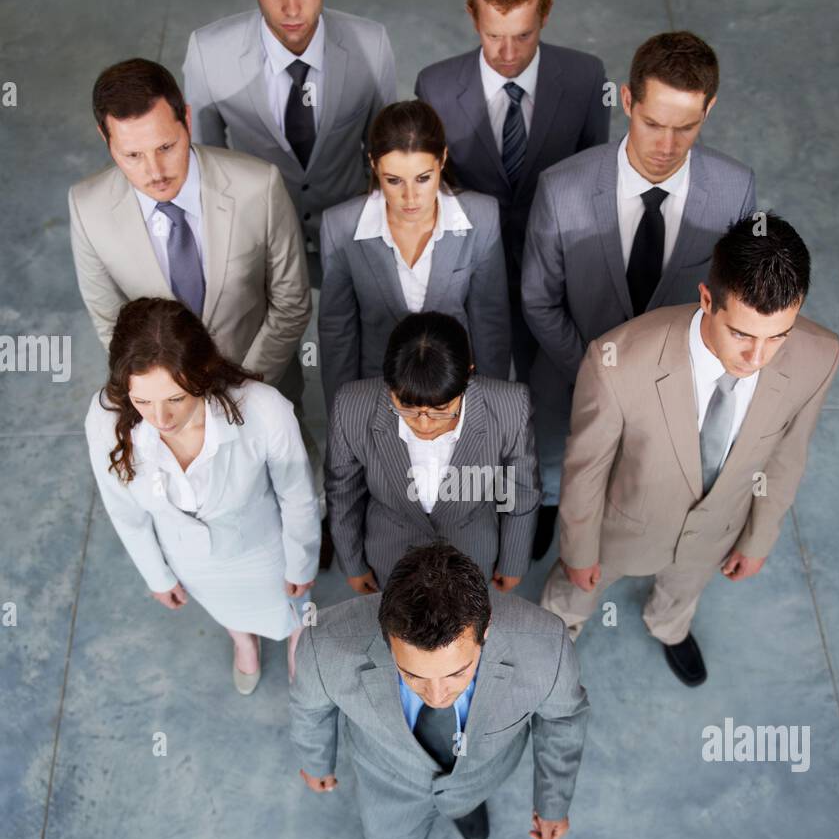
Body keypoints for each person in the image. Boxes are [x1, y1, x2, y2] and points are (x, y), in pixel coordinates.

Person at [290, 541, 589, 839]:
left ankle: (461, 806)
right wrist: (315, 759)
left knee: (464, 797)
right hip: (389, 785)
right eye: (413, 675)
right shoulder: (327, 643)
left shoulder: (546, 645)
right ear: (386, 637)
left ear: (486, 630)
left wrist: (552, 802)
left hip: (481, 773)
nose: (437, 692)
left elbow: (563, 722)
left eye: (456, 672)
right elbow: (310, 708)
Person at [540, 215, 839, 686]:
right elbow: (586, 470)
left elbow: (788, 455)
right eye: (742, 334)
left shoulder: (819, 356)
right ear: (706, 300)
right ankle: (555, 639)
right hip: (624, 528)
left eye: (777, 336)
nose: (757, 358)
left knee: (684, 588)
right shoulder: (616, 362)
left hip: (717, 529)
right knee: (572, 593)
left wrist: (758, 538)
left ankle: (668, 625)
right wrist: (579, 552)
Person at [522, 31, 757, 559]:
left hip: (672, 389)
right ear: (626, 100)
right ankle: (548, 509)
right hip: (571, 374)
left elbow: (730, 302)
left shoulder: (735, 189)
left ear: (709, 109)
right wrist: (591, 368)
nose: (666, 147)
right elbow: (539, 299)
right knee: (556, 465)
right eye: (652, 124)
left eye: (685, 127)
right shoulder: (562, 189)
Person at [69, 58, 313, 445]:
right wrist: (169, 396)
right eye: (133, 155)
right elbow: (109, 320)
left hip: (263, 385)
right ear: (105, 137)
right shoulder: (87, 206)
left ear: (186, 118)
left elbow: (292, 302)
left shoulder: (259, 186)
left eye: (166, 146)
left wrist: (242, 392)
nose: (155, 171)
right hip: (167, 410)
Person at [85, 298, 321, 694]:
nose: (160, 419)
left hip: (261, 549)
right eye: (142, 401)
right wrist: (157, 574)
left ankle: (300, 636)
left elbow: (297, 494)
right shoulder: (106, 421)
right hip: (191, 562)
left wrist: (302, 561)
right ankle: (242, 639)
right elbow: (124, 510)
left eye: (176, 398)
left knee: (292, 608)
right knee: (227, 609)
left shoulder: (263, 410)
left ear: (202, 372)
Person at [415, 0, 609, 383]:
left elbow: (592, 182)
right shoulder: (435, 87)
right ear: (472, 16)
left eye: (523, 35)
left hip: (556, 274)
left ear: (547, 12)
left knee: (556, 397)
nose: (507, 54)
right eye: (493, 35)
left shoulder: (586, 78)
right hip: (473, 275)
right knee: (478, 393)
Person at [182, 0, 397, 289]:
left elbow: (385, 156)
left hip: (352, 234)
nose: (292, 10)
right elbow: (207, 167)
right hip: (258, 242)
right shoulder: (207, 53)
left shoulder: (372, 45)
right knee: (270, 350)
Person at [325, 311, 539, 592]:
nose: (424, 424)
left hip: (474, 551)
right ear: (388, 383)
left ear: (468, 374)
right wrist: (353, 565)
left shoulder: (510, 407)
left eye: (440, 410)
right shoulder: (351, 406)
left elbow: (519, 491)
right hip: (389, 555)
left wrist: (512, 562)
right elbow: (343, 493)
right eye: (407, 408)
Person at [318, 100, 511, 412]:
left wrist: (490, 416)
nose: (410, 197)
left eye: (423, 178)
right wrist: (345, 422)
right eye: (394, 180)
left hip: (457, 403)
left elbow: (491, 328)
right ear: (373, 164)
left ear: (442, 159)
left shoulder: (482, 217)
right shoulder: (340, 227)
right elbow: (337, 335)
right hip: (377, 401)